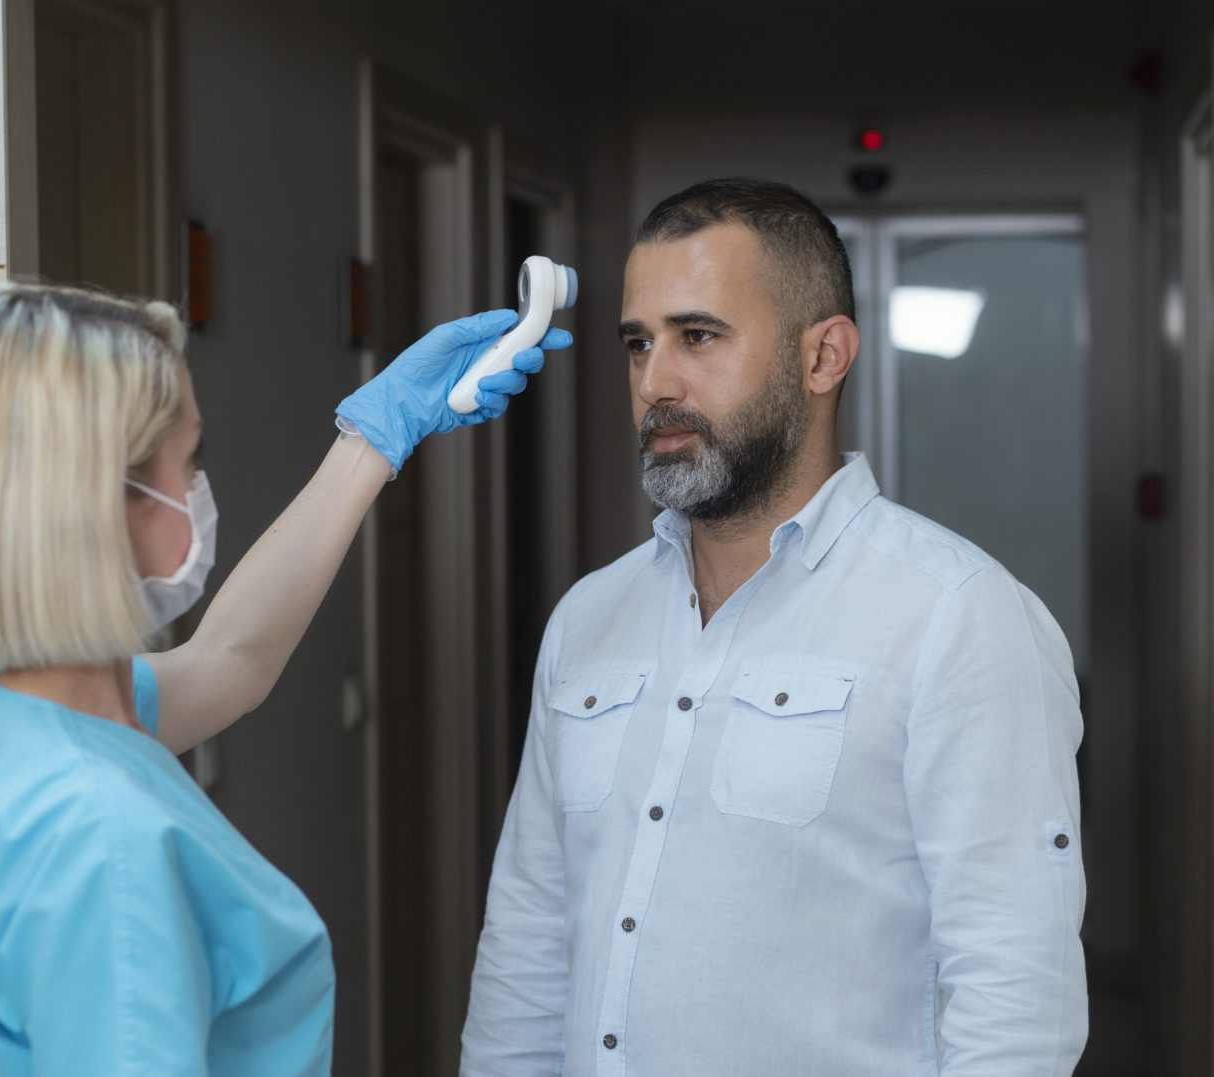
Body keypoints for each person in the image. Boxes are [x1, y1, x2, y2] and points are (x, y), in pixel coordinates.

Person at [459, 178, 1087, 1075]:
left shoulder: (957, 615)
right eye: (638, 343)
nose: (654, 381)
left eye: (698, 336)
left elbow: (1014, 993)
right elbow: (527, 940)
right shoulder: (588, 620)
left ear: (824, 355)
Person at [0, 282, 570, 1076]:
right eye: (188, 459)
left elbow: (231, 661)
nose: (200, 487)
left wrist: (378, 435)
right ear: (102, 505)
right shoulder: (101, 843)